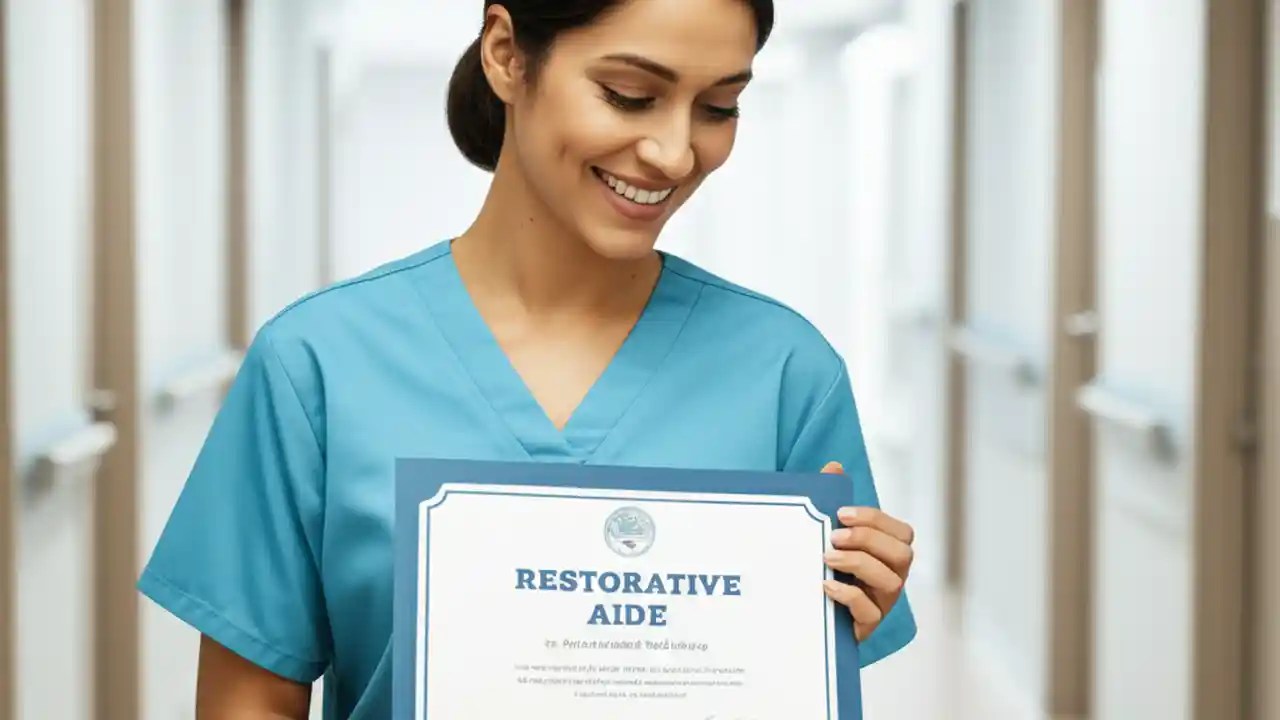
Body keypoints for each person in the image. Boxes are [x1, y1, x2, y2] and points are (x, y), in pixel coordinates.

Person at [137, 0, 918, 717]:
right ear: (508, 54)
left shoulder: (785, 374)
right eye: (629, 94)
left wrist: (827, 625)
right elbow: (249, 703)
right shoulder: (317, 368)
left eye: (719, 107)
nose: (677, 153)